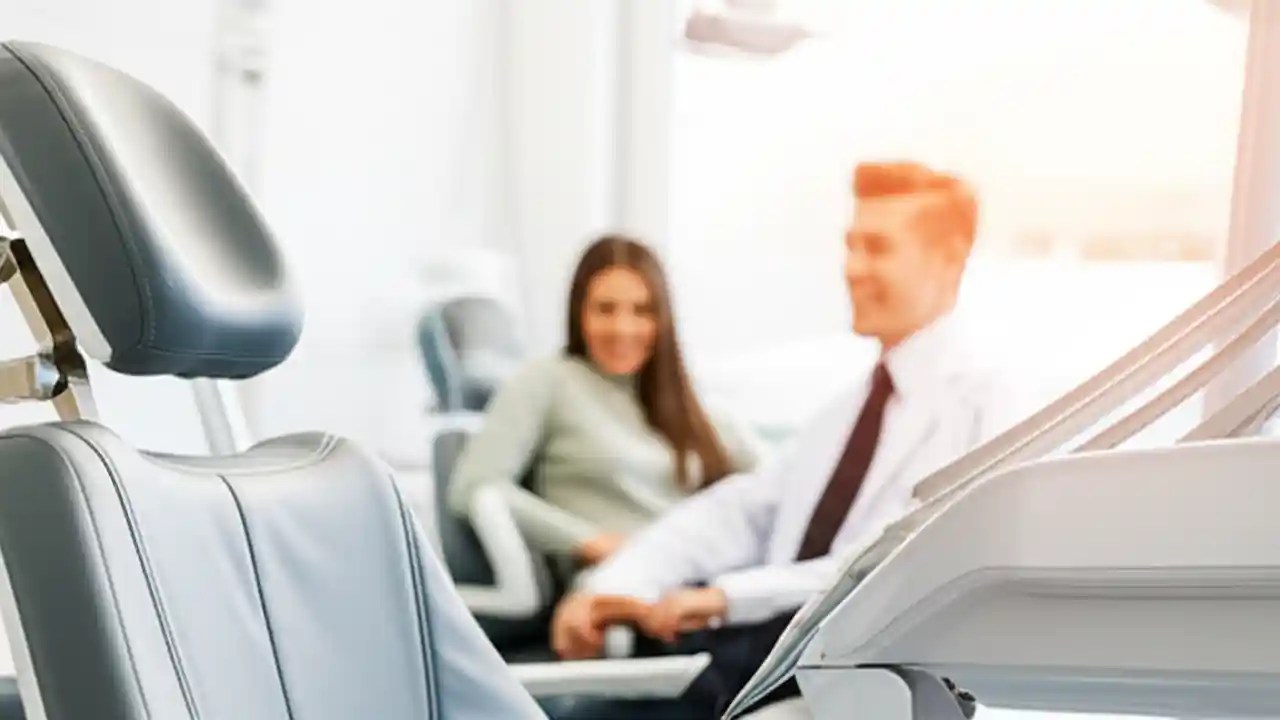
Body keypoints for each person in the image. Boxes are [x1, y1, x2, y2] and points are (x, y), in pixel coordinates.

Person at [548, 161, 1029, 719]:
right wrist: (616, 582)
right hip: (764, 652)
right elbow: (742, 511)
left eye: (876, 248)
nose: (851, 268)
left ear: (950, 259)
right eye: (850, 246)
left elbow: (891, 563)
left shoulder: (986, 406)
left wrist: (725, 599)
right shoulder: (848, 410)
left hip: (852, 670)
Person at [448, 234, 762, 578]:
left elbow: (767, 478)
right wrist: (591, 541)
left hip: (700, 573)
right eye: (605, 309)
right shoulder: (548, 380)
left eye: (641, 311)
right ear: (579, 312)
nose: (622, 328)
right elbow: (475, 488)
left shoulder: (673, 397)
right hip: (622, 587)